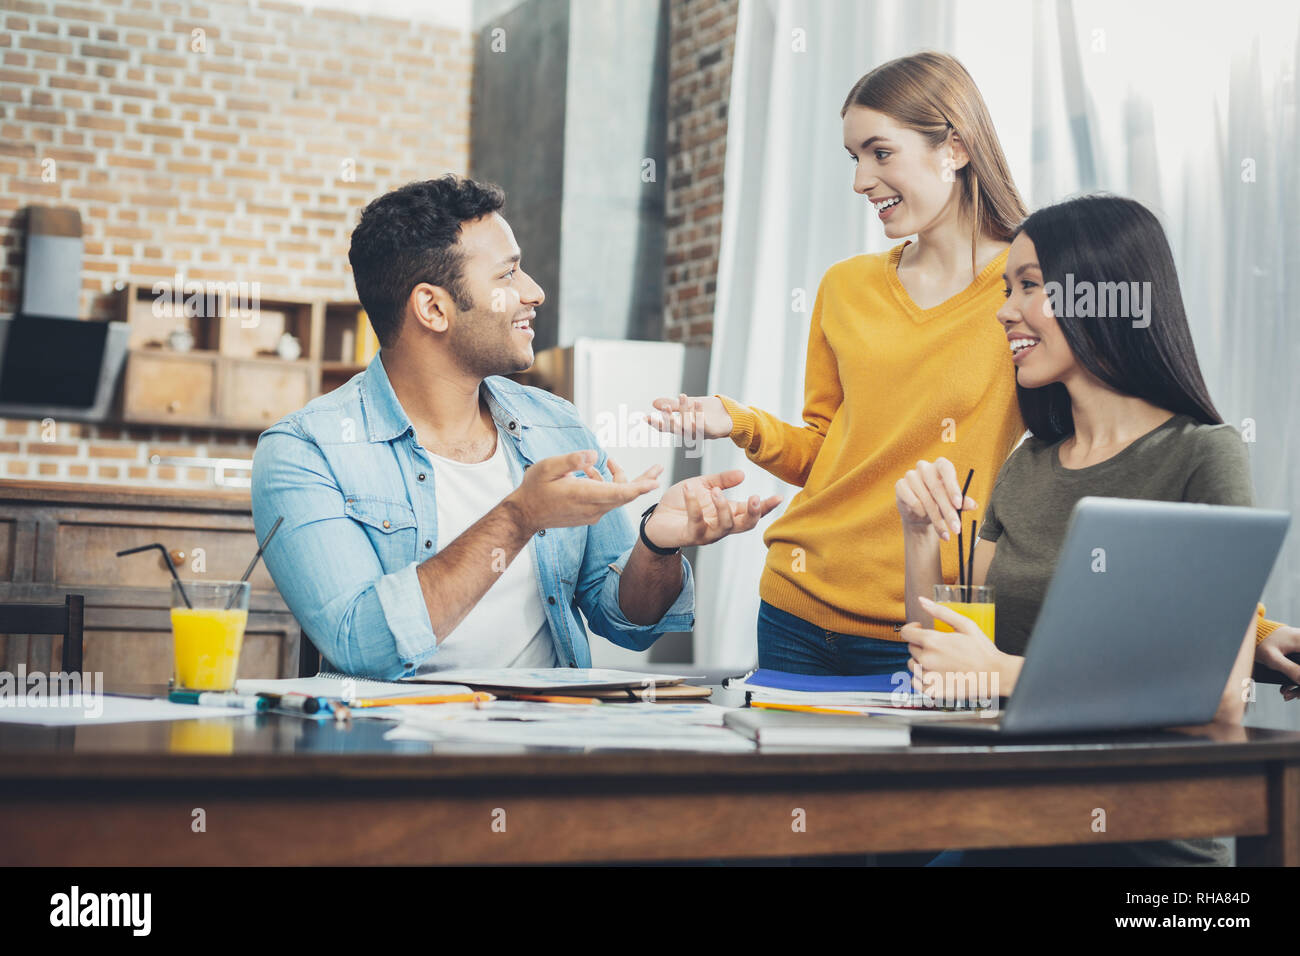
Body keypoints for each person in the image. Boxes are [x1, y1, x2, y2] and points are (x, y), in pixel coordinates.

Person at [251, 176, 781, 679]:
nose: (535, 292)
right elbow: (361, 644)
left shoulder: (556, 424)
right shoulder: (306, 452)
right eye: (507, 275)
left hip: (547, 749)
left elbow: (626, 622)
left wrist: (656, 546)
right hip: (395, 750)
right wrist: (517, 518)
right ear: (433, 307)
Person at [896, 193, 1292, 865]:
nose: (1005, 309)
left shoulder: (1202, 454)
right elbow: (945, 657)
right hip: (1011, 822)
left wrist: (1007, 674)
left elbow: (1219, 698)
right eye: (1005, 288)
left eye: (1029, 287)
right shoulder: (1029, 464)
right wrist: (918, 535)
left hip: (1145, 842)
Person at [649, 51, 1028, 675]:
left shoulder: (1024, 288)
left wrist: (1244, 625)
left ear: (954, 148)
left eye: (880, 153)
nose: (860, 182)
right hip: (797, 606)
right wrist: (738, 422)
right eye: (855, 159)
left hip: (937, 623)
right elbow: (825, 454)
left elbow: (1099, 445)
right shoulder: (845, 287)